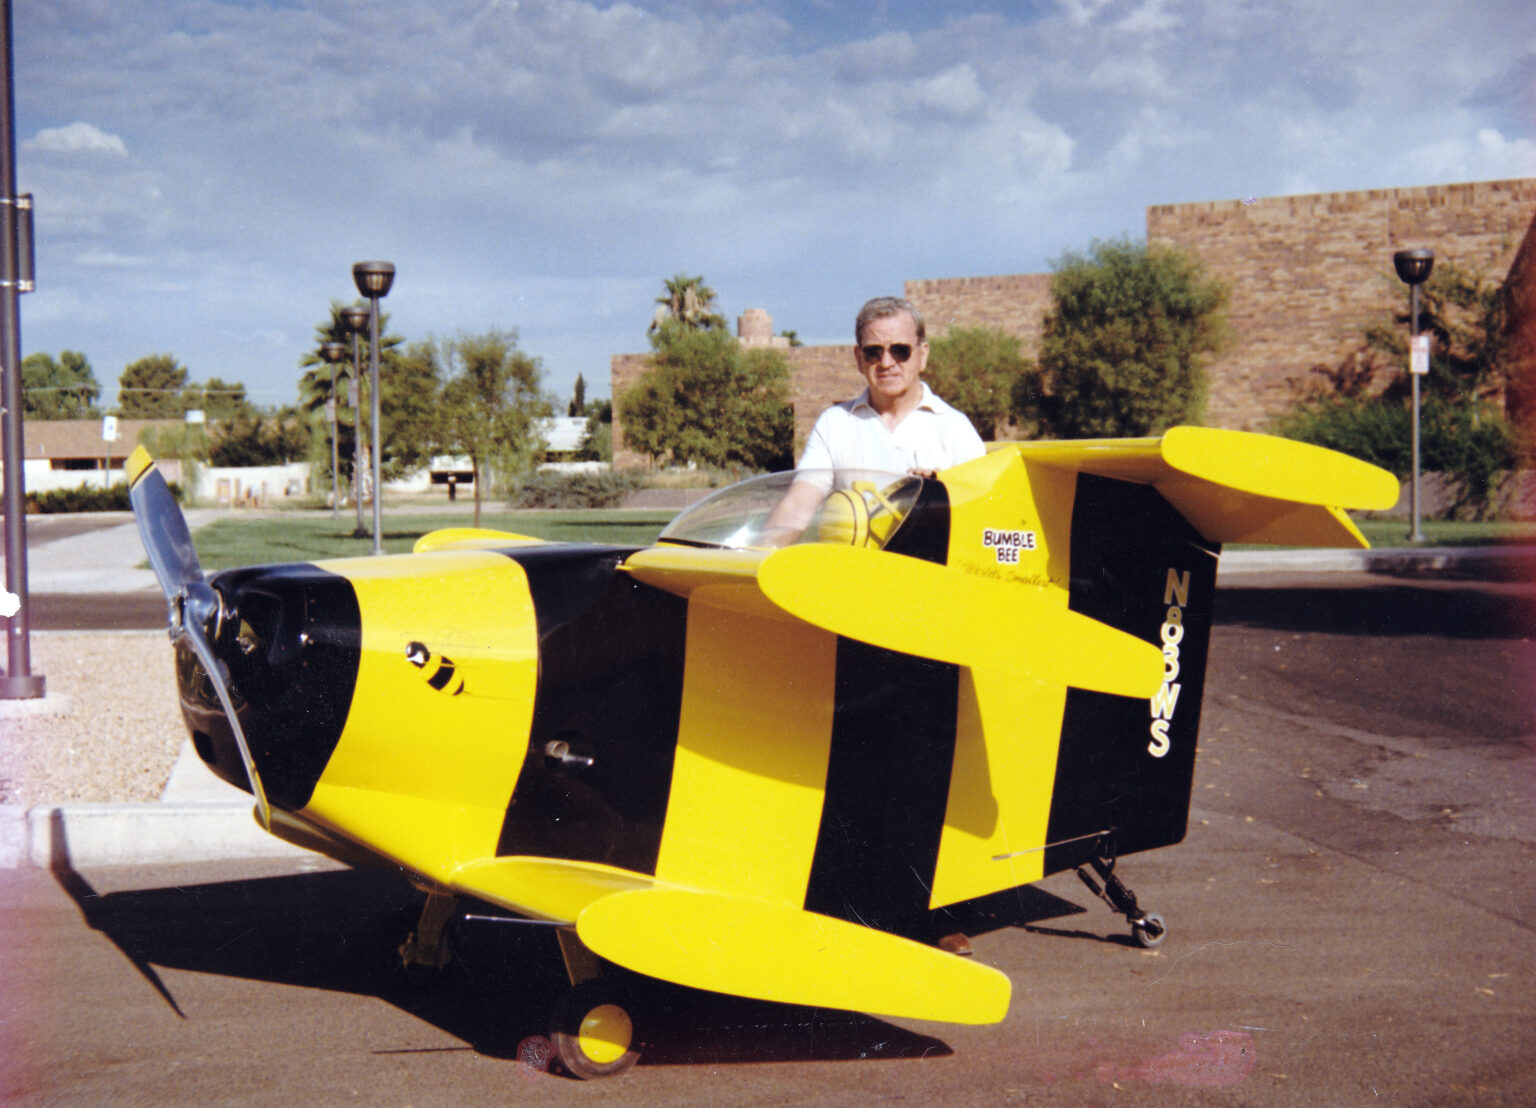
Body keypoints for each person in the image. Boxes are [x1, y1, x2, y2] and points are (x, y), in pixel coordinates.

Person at [764, 296, 986, 541]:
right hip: (852, 574)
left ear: (922, 355)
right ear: (859, 358)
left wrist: (941, 495)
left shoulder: (955, 428)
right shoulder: (834, 423)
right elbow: (797, 508)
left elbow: (981, 524)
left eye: (900, 351)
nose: (886, 363)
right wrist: (758, 555)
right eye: (873, 352)